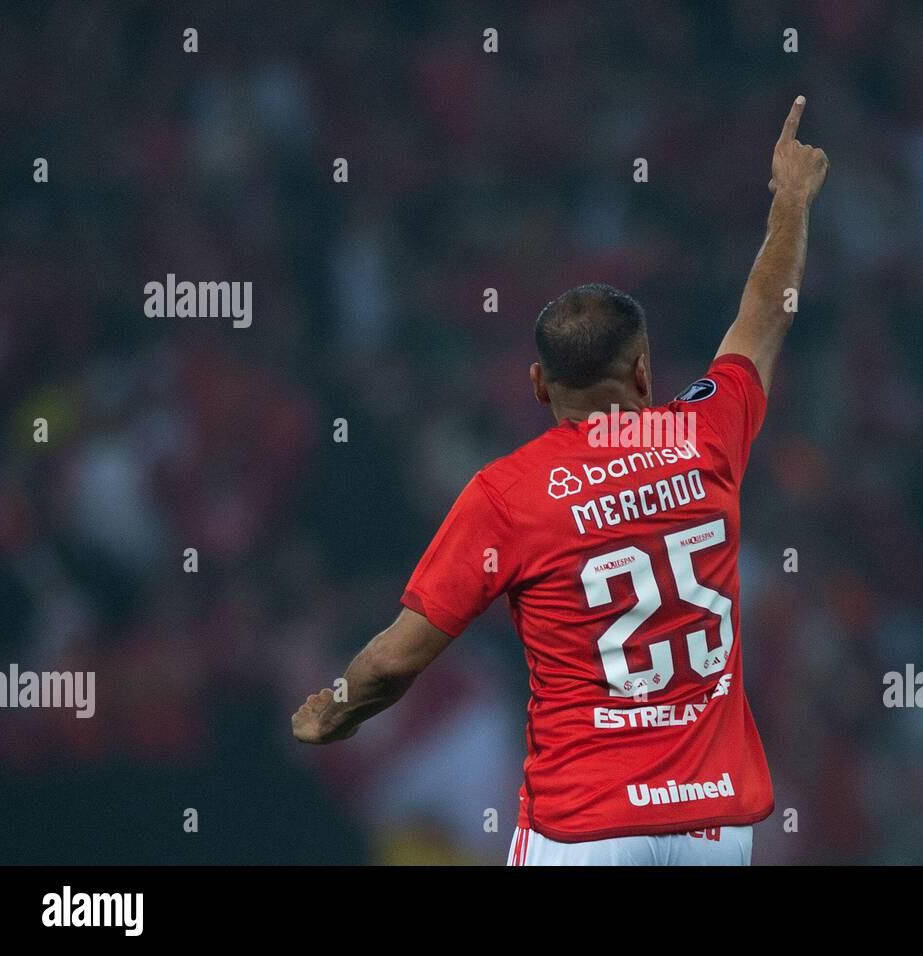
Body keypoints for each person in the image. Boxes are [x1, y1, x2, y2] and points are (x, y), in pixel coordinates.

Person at [291, 96, 828, 865]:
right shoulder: (708, 434)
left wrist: (332, 711)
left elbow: (395, 660)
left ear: (539, 384)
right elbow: (765, 313)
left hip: (581, 829)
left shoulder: (509, 495)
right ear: (644, 371)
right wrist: (791, 201)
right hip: (714, 830)